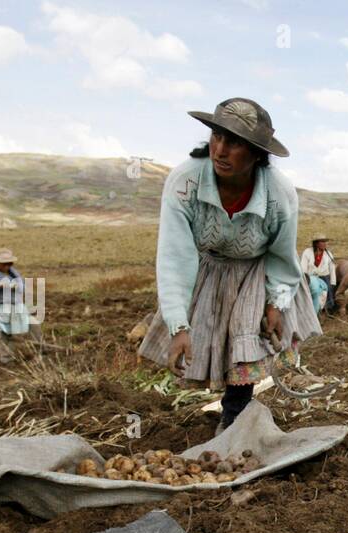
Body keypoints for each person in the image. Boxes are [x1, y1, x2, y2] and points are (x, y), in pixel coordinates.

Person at [136, 98, 321, 430]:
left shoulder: (279, 194)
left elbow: (282, 254)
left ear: (255, 154)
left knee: (246, 339)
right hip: (208, 266)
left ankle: (234, 418)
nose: (220, 150)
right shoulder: (185, 183)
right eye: (217, 136)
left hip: (257, 268)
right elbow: (175, 256)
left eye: (234, 143)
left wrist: (276, 304)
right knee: (214, 340)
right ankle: (230, 413)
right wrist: (179, 324)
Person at [0, 248, 42, 364]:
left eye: (9, 263)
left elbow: (23, 287)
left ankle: (37, 354)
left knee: (34, 325)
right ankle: (7, 358)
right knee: (5, 331)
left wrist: (16, 286)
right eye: (5, 264)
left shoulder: (14, 273)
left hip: (18, 306)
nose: (7, 266)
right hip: (0, 306)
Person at [299, 234, 336, 314]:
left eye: (325, 242)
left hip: (324, 276)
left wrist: (333, 282)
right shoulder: (307, 252)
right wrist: (305, 278)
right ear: (316, 243)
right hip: (310, 277)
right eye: (322, 242)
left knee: (327, 293)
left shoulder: (328, 254)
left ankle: (327, 310)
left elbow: (332, 269)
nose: (325, 244)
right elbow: (303, 267)